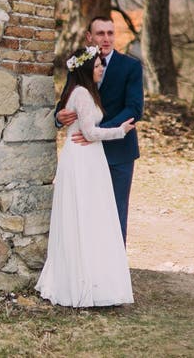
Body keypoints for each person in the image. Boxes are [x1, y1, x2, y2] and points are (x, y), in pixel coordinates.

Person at [36, 46, 135, 307]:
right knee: (84, 215)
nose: (102, 69)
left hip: (88, 157)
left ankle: (93, 279)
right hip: (82, 158)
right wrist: (120, 130)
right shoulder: (81, 93)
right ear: (86, 69)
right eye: (98, 65)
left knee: (91, 216)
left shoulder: (85, 92)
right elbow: (90, 133)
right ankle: (81, 283)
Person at [55, 16, 144, 243]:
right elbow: (66, 101)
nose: (106, 38)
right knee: (87, 214)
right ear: (89, 37)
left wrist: (94, 132)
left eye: (110, 33)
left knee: (115, 212)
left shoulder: (131, 66)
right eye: (100, 33)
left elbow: (134, 108)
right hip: (85, 157)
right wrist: (58, 117)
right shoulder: (80, 64)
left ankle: (114, 273)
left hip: (118, 153)